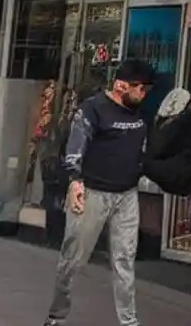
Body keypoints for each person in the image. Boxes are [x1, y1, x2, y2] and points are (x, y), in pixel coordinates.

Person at [44, 59, 155, 326]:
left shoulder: (138, 113)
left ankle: (129, 321)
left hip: (126, 195)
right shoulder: (93, 109)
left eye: (147, 89)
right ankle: (56, 317)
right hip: (92, 192)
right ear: (120, 85)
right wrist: (75, 181)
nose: (144, 94)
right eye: (140, 88)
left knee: (124, 260)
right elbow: (76, 145)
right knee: (73, 260)